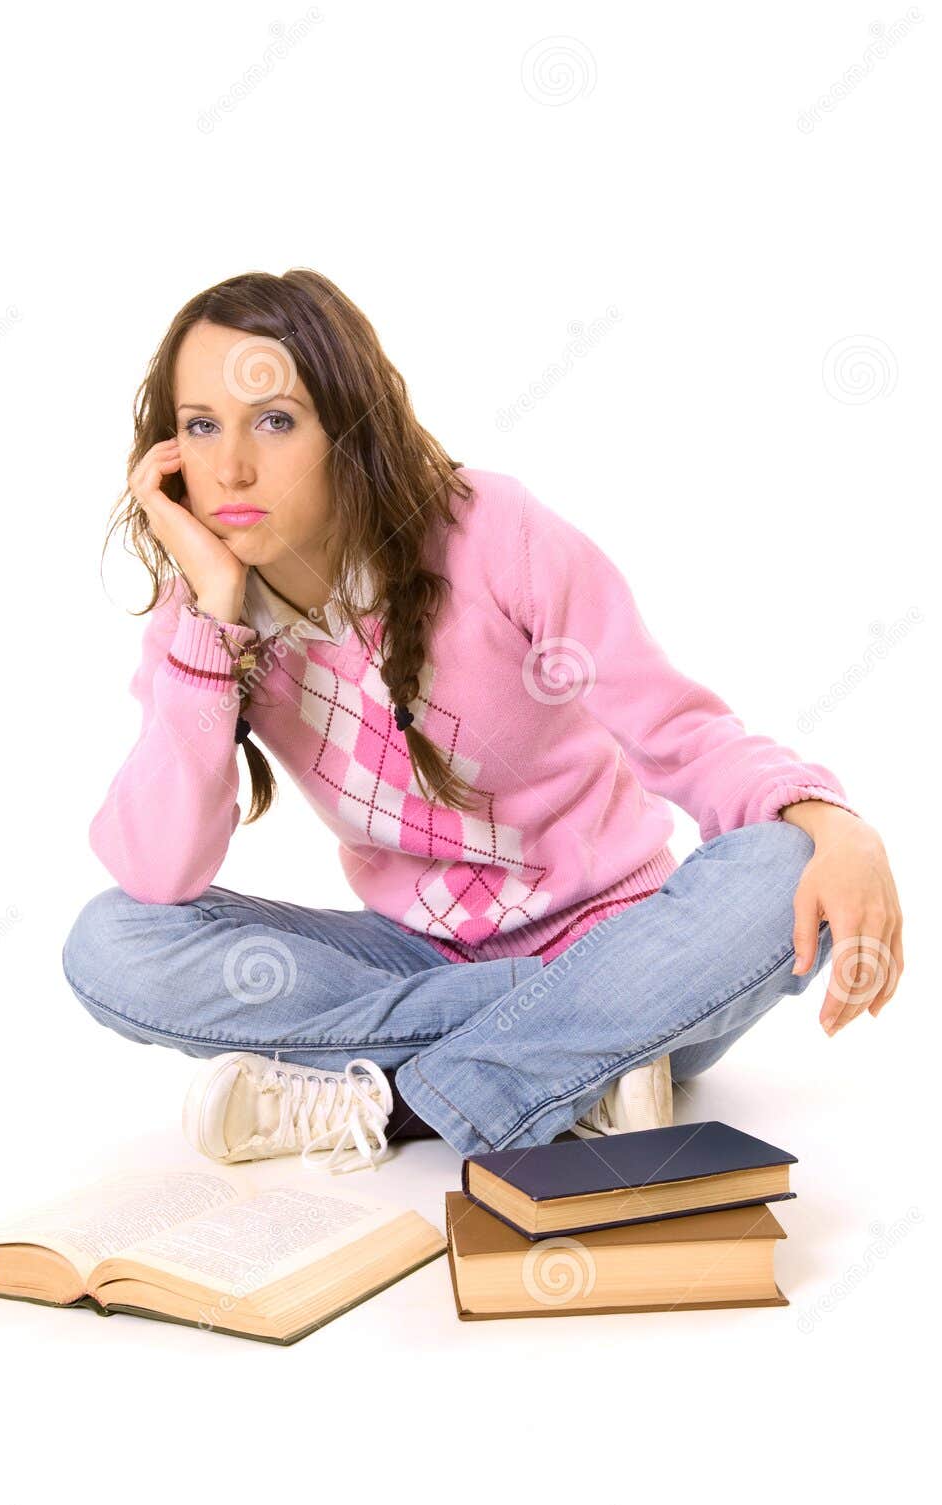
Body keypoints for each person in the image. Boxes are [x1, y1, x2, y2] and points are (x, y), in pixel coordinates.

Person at [62, 269, 903, 1175]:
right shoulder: (203, 627)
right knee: (113, 942)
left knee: (781, 868)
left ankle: (397, 1097)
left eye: (274, 420)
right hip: (421, 963)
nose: (229, 467)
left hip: (625, 944)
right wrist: (214, 619)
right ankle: (573, 1063)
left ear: (345, 425)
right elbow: (159, 870)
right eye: (200, 426)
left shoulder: (492, 533)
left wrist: (828, 821)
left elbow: (678, 735)